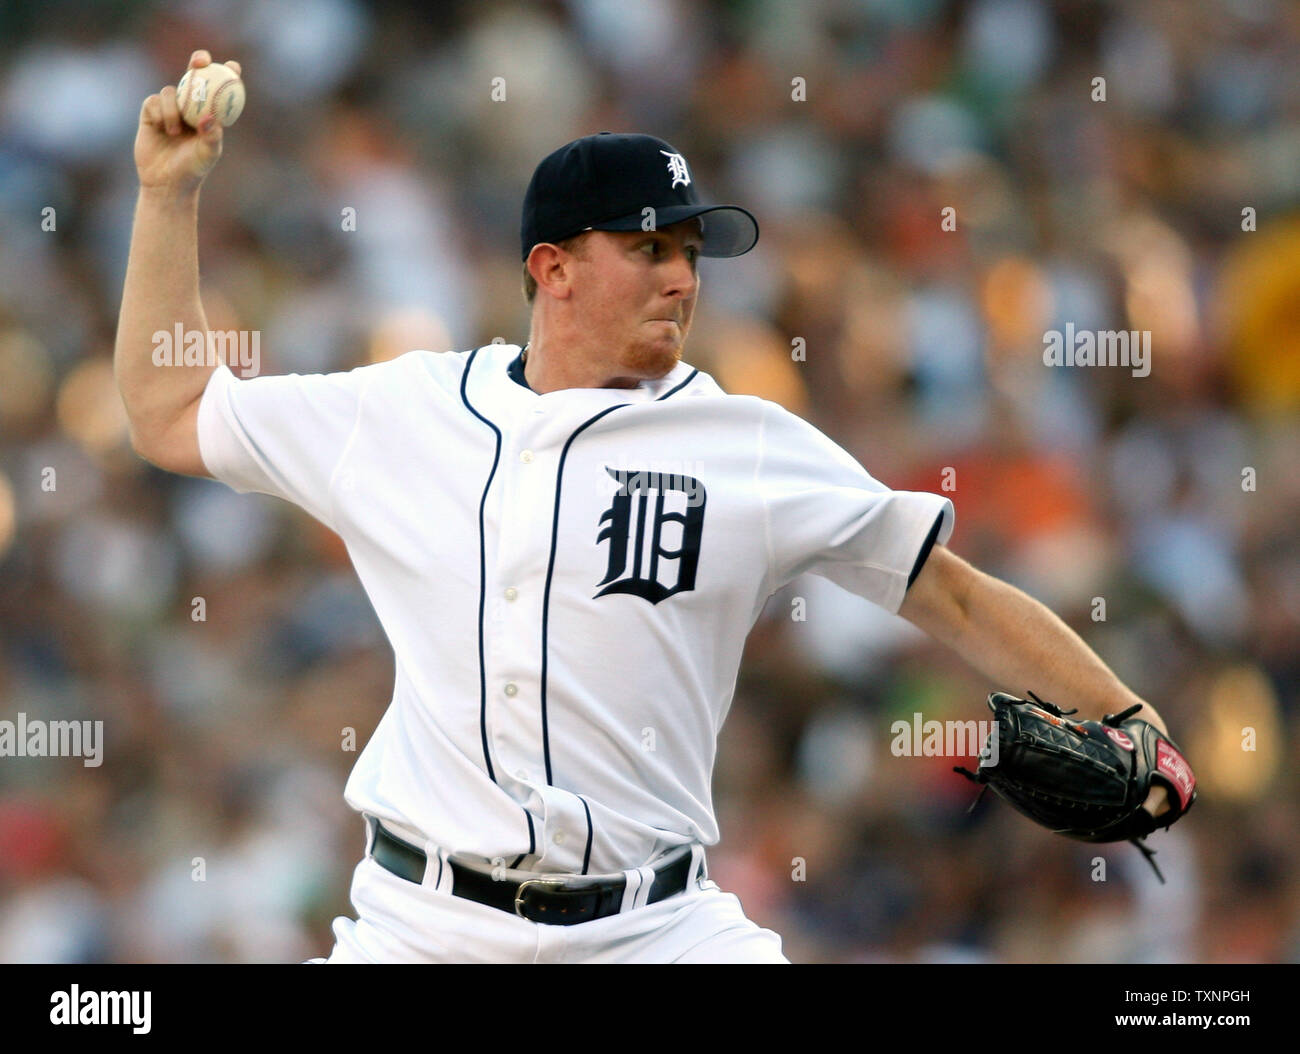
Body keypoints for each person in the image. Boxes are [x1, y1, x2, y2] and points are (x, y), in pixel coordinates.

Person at [116, 51, 1178, 964]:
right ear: (554, 268)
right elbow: (169, 410)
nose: (681, 276)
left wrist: (1132, 721)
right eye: (649, 248)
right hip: (421, 924)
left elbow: (946, 594)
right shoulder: (400, 410)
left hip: (654, 929)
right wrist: (169, 198)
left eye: (688, 251)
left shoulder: (747, 443)